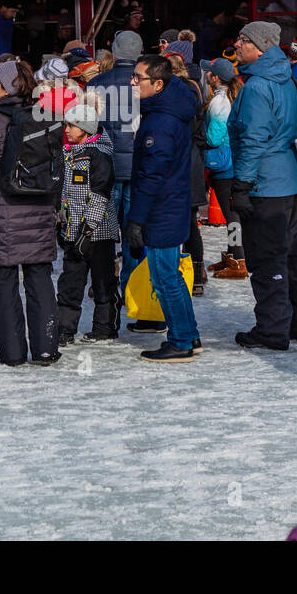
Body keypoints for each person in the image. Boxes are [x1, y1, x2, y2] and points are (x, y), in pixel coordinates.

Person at [227, 21, 297, 350]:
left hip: (266, 185)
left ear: (261, 46)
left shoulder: (256, 86)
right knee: (294, 255)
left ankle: (272, 329)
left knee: (268, 259)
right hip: (291, 181)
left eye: (243, 40)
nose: (237, 44)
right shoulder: (285, 77)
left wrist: (241, 184)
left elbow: (254, 140)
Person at [0, 60, 60, 365]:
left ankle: (13, 352)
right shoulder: (45, 115)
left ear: (7, 85)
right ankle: (45, 348)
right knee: (40, 280)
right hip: (40, 208)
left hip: (1, 210)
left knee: (4, 282)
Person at [125, 54, 201, 361]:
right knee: (171, 275)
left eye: (138, 78)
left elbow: (151, 175)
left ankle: (182, 339)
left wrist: (136, 220)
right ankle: (188, 334)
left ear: (158, 84)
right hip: (171, 202)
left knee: (165, 277)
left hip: (162, 208)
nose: (132, 82)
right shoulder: (165, 109)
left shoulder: (161, 121)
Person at [56, 102, 120, 343]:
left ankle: (105, 327)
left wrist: (88, 228)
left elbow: (100, 194)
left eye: (71, 125)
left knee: (103, 281)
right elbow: (65, 190)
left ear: (85, 128)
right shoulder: (69, 153)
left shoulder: (99, 155)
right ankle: (65, 329)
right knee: (70, 282)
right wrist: (61, 215)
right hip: (74, 230)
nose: (67, 130)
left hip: (98, 232)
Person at [89, 30, 143, 295]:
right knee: (133, 230)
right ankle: (132, 286)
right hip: (136, 165)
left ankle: (104, 287)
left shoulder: (96, 83)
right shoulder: (147, 84)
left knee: (104, 231)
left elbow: (88, 129)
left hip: (105, 165)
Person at [165, 44, 208, 294]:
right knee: (191, 223)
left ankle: (180, 274)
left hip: (179, 161)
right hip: (193, 160)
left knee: (175, 222)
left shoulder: (175, 93)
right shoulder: (195, 88)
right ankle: (197, 275)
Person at [202, 57, 246, 279]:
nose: (206, 75)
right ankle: (231, 255)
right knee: (232, 212)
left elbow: (214, 137)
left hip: (223, 164)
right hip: (233, 161)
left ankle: (238, 259)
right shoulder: (233, 95)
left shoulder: (220, 101)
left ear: (215, 77)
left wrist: (202, 133)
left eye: (208, 72)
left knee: (231, 215)